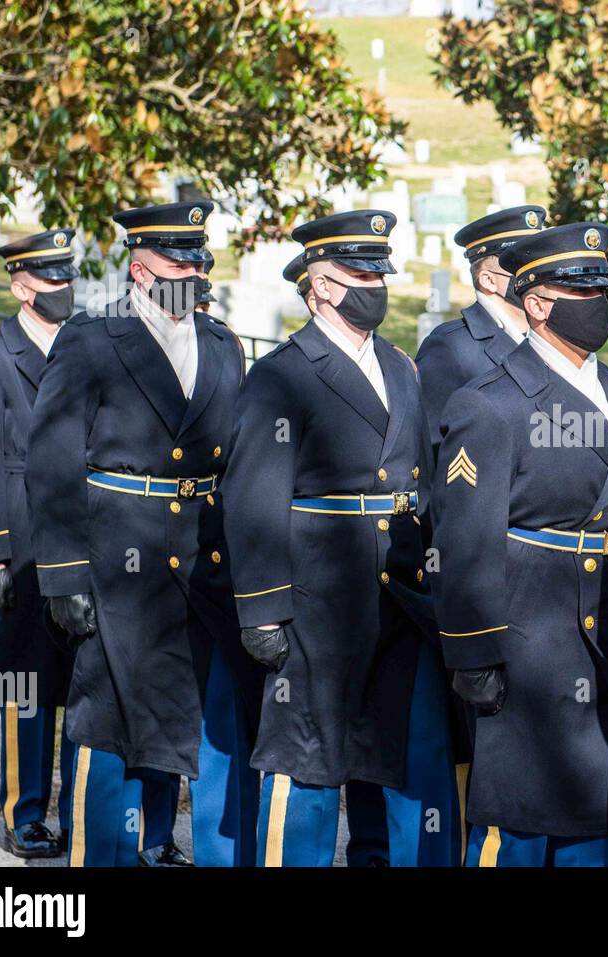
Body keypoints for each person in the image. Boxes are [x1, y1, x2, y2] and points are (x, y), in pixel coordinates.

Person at [432, 222, 608, 866]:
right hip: (532, 637)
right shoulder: (490, 403)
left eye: (602, 288)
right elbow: (465, 539)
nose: (597, 303)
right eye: (579, 289)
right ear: (537, 302)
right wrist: (473, 653)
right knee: (522, 818)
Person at [26, 201, 261, 867]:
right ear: (139, 267)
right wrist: (64, 573)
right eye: (177, 259)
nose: (192, 268)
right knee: (110, 721)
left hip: (205, 560)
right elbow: (52, 458)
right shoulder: (94, 339)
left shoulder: (222, 343)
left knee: (203, 713)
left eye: (199, 258)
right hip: (118, 558)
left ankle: (178, 845)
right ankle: (100, 856)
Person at [228, 210, 462, 866]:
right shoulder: (282, 373)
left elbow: (420, 477)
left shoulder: (399, 365)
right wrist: (263, 606)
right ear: (319, 286)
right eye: (358, 273)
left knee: (403, 759)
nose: (375, 284)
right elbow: (253, 495)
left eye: (378, 271)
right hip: (317, 596)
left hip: (398, 595)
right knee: (308, 762)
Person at [0, 229, 80, 858]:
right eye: (51, 279)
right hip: (27, 543)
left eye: (68, 277)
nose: (64, 289)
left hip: (82, 540)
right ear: (22, 286)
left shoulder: (83, 348)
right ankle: (23, 811)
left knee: (78, 683)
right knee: (24, 685)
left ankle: (75, 810)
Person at [416, 205, 546, 462]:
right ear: (488, 280)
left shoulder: (549, 334)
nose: (536, 272)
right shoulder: (450, 348)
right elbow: (431, 450)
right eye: (520, 264)